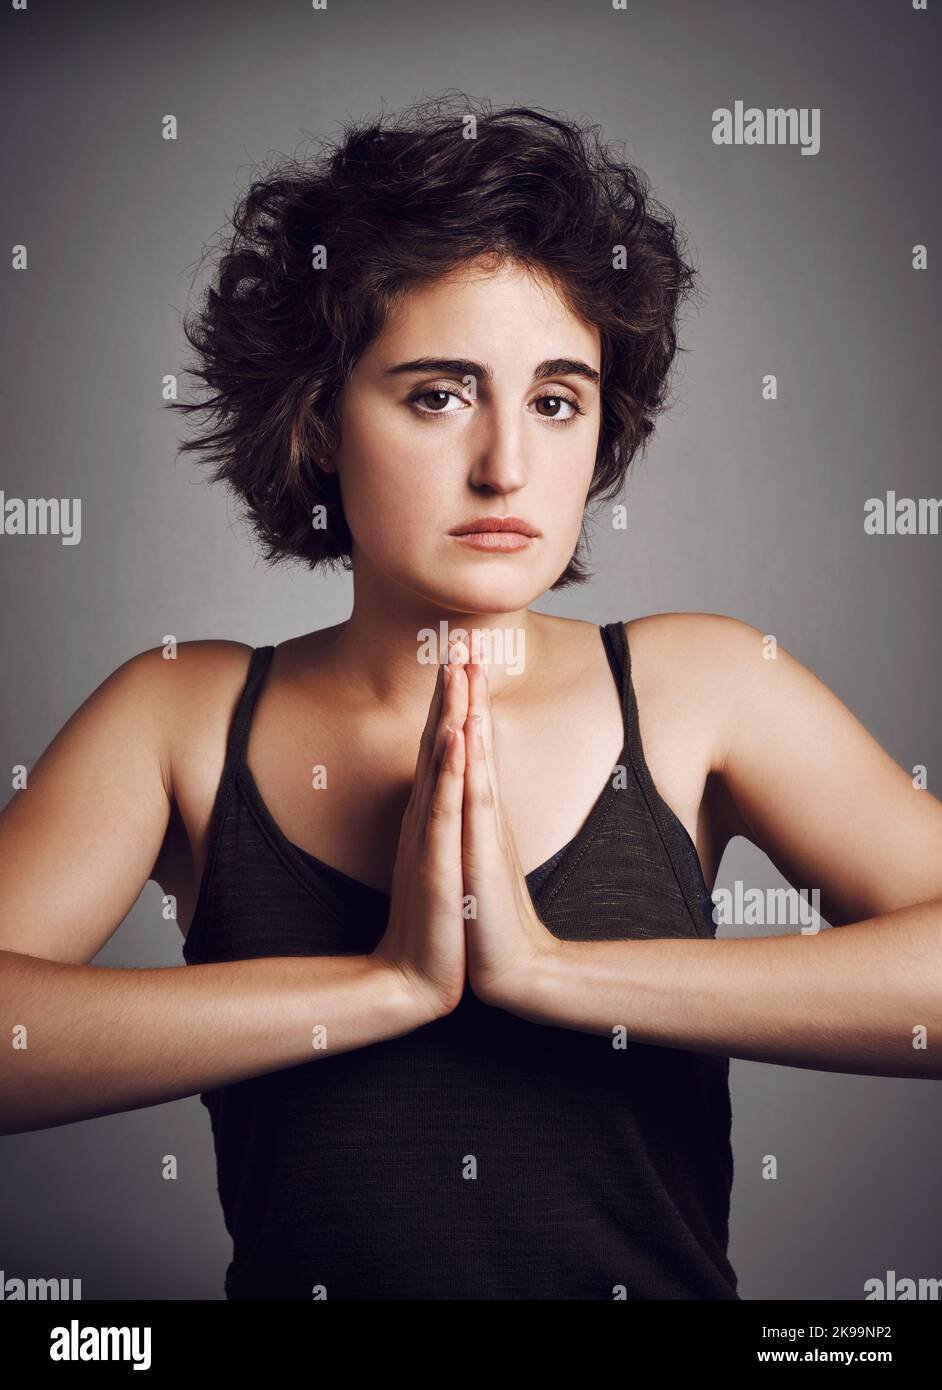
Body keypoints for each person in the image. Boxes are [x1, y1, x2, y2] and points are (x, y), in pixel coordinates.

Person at [2, 95, 941, 1301]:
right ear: (321, 419)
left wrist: (550, 972)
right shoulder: (181, 713)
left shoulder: (700, 686)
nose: (507, 463)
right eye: (438, 393)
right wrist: (383, 984)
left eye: (556, 400)